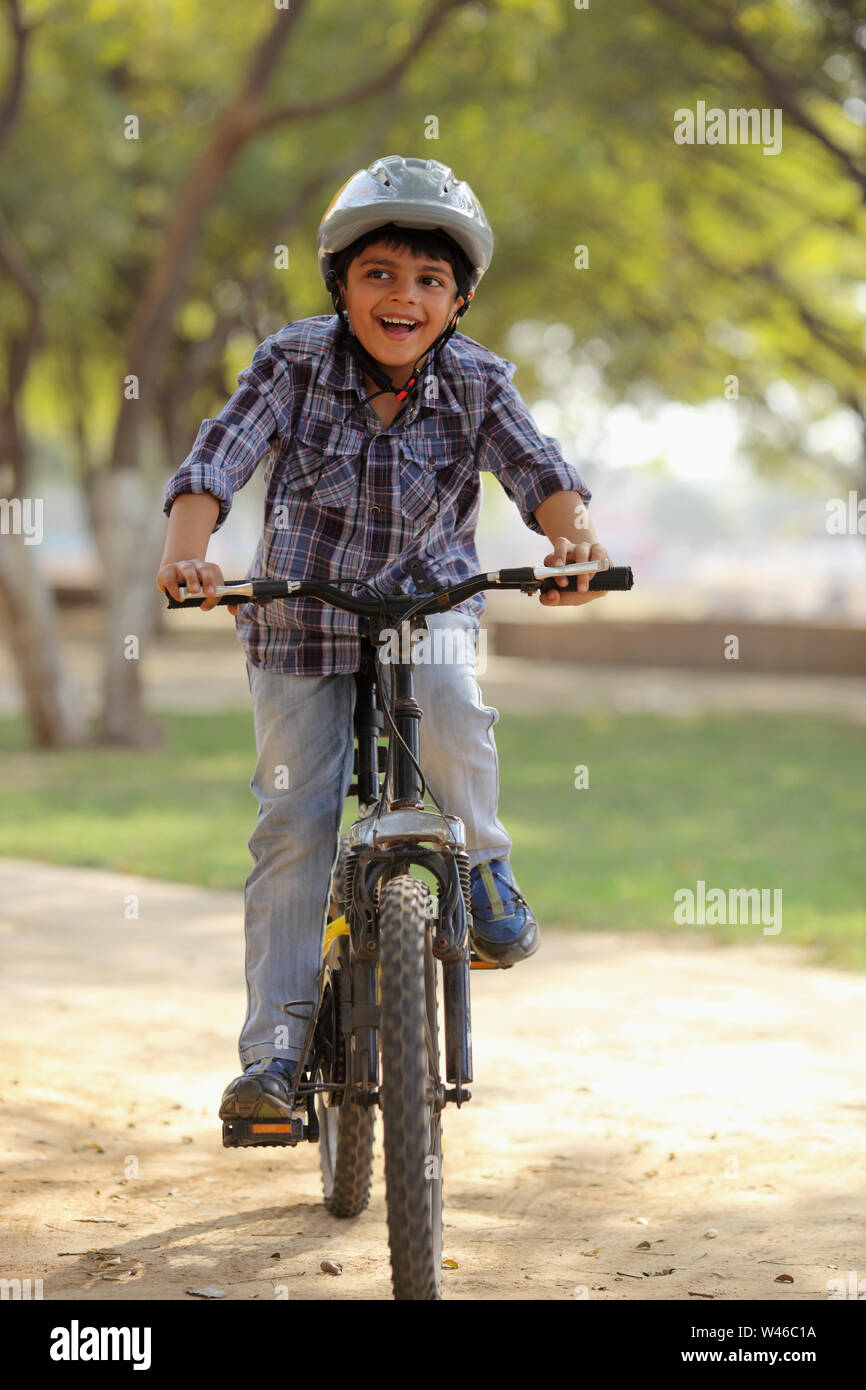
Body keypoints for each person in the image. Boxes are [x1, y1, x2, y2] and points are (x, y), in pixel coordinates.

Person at [157, 155, 611, 1123]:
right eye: (378, 275)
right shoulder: (291, 361)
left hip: (427, 607)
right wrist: (188, 554)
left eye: (427, 281)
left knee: (449, 700)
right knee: (292, 826)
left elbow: (539, 473)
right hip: (300, 620)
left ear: (458, 299)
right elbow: (217, 458)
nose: (401, 296)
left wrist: (571, 542)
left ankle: (482, 867)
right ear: (340, 286)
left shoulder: (480, 380)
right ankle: (272, 1057)